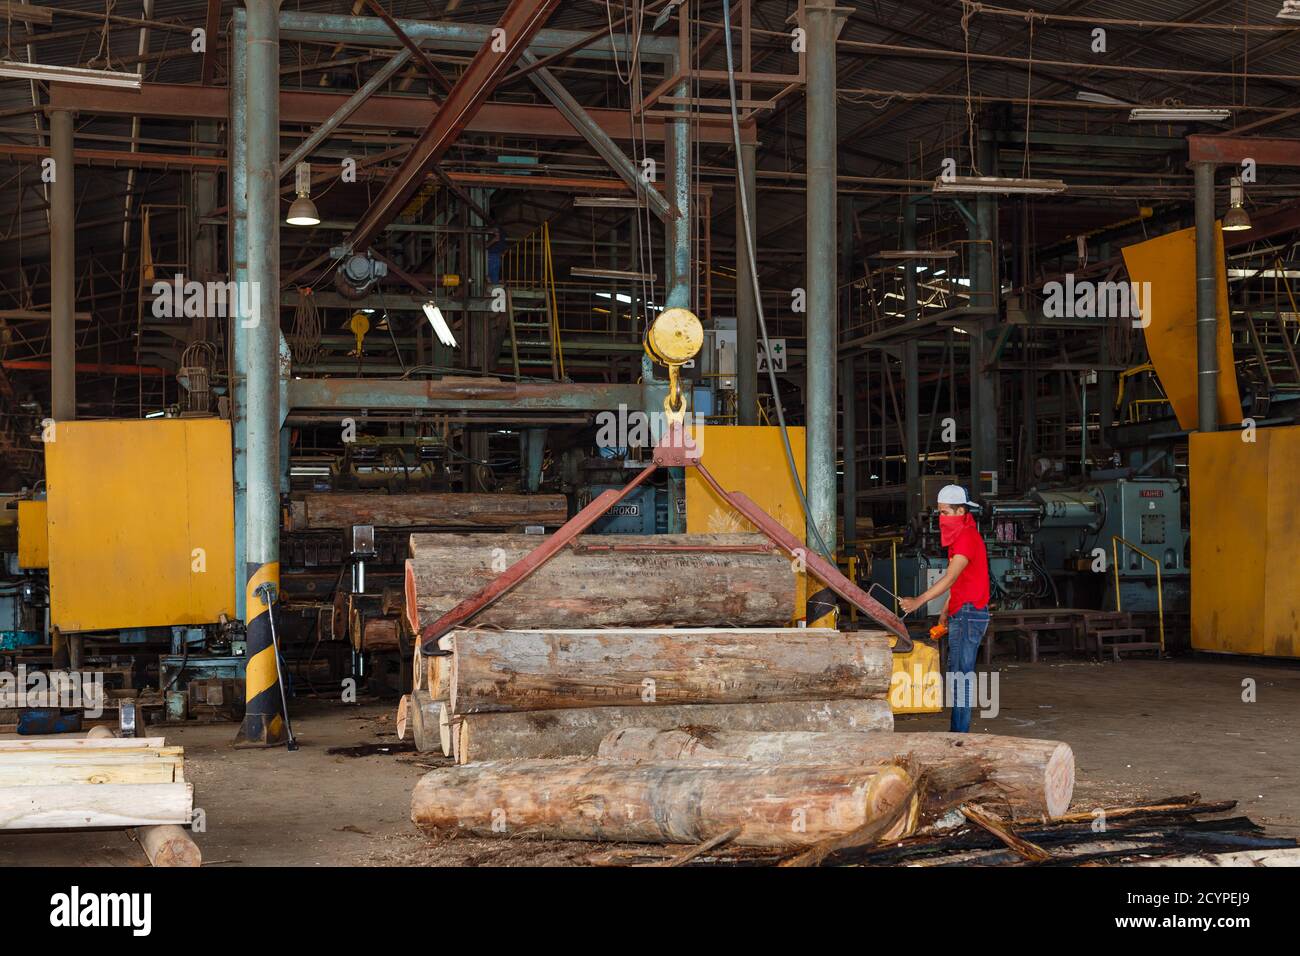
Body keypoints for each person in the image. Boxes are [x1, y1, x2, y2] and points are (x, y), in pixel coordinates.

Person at [898, 485, 990, 733]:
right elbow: (960, 581)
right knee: (956, 672)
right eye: (939, 513)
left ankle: (959, 736)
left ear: (961, 510)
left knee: (961, 673)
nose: (942, 518)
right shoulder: (961, 537)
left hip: (970, 614)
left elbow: (949, 577)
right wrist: (946, 610)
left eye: (946, 512)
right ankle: (957, 733)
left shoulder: (966, 537)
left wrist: (919, 601)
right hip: (963, 611)